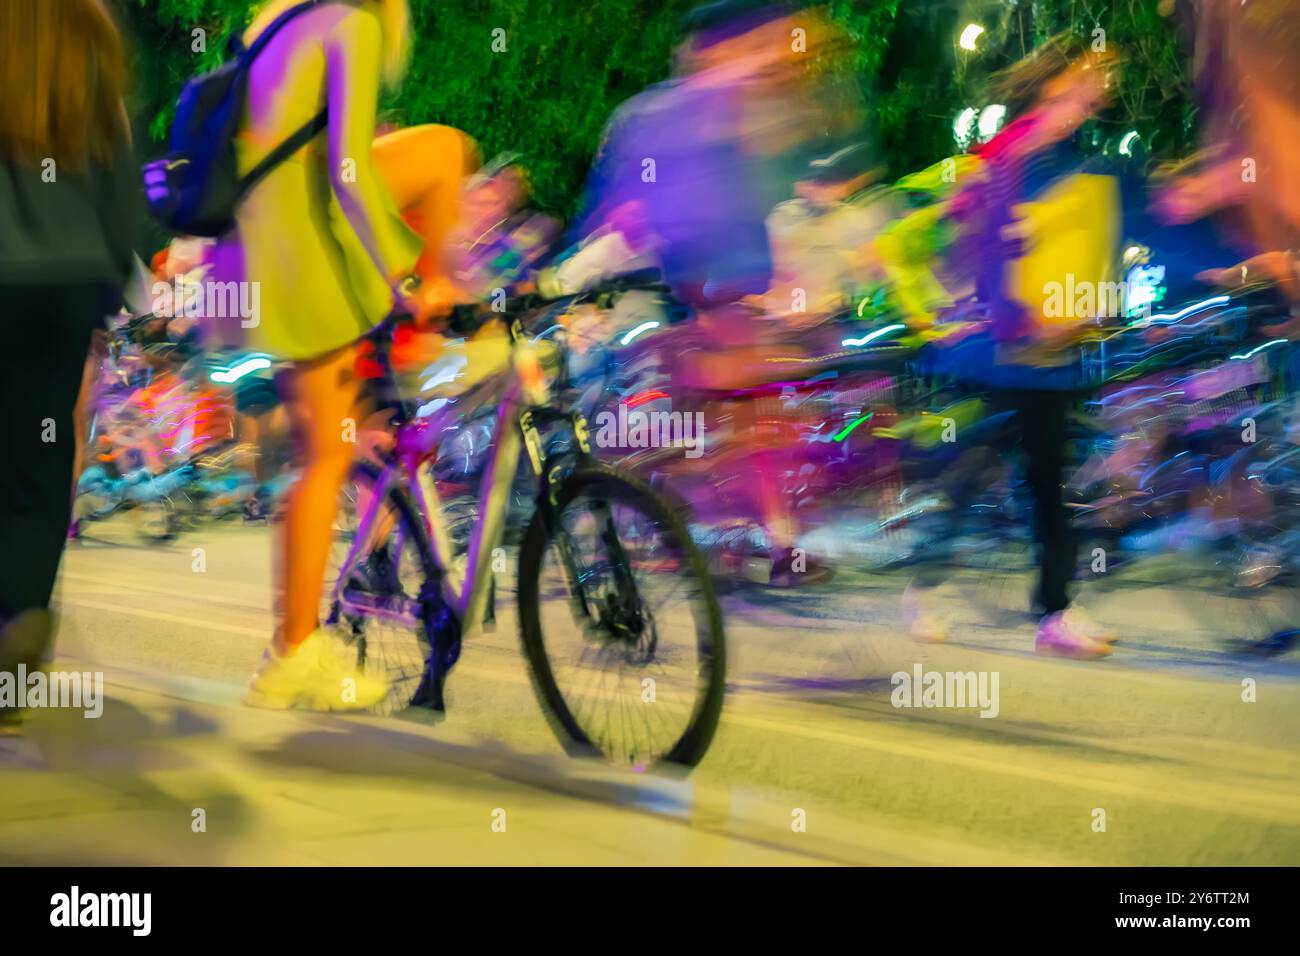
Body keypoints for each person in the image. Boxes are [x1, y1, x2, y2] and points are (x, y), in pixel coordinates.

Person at [208, 0, 430, 710]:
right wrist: (405, 273)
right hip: (299, 257)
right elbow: (351, 171)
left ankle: (295, 644)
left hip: (248, 258)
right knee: (324, 458)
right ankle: (293, 651)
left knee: (321, 452)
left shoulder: (269, 21)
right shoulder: (350, 24)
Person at [905, 35, 1124, 658]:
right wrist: (1017, 314)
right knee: (979, 472)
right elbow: (982, 245)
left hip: (1053, 346)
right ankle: (929, 585)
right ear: (1056, 83)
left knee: (1046, 481)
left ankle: (1054, 612)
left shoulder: (1079, 155)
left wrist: (1089, 309)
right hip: (1002, 342)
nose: (1100, 89)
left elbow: (1088, 242)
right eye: (1092, 75)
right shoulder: (1008, 153)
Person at [0, 0, 139, 701]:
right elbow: (117, 167)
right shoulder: (88, 32)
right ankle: (22, 614)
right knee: (41, 453)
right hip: (66, 279)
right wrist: (116, 270)